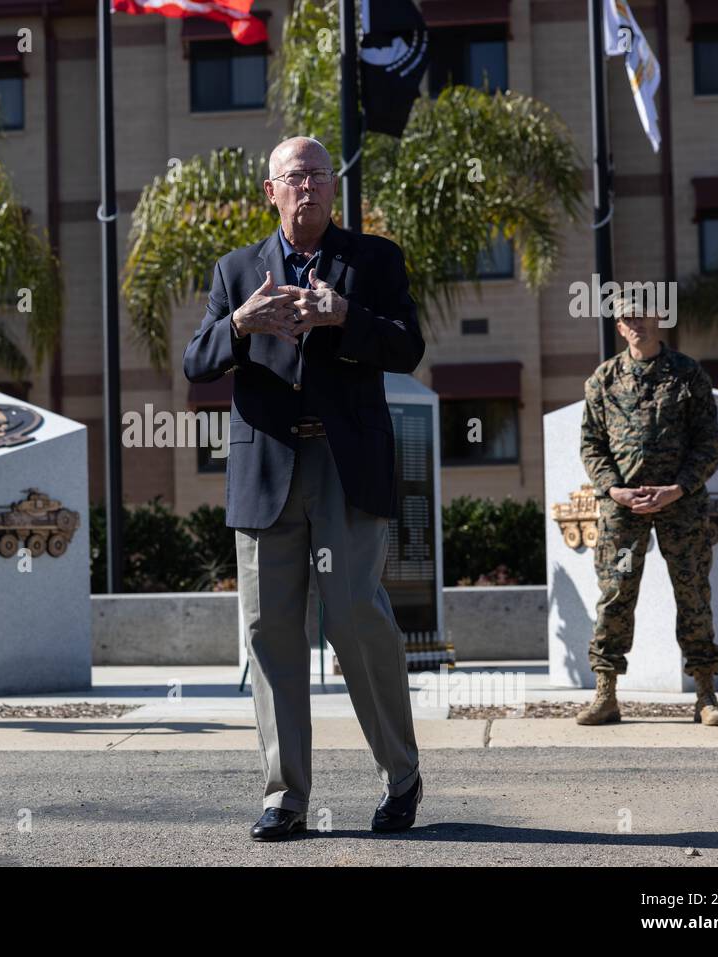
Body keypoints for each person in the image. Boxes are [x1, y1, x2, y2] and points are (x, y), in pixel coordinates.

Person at [183, 136, 427, 842]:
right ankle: (285, 796)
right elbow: (196, 360)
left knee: (354, 614)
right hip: (267, 471)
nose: (309, 186)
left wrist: (346, 317)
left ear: (332, 187)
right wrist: (241, 323)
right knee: (269, 630)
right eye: (295, 176)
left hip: (344, 466)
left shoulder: (372, 262)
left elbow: (407, 346)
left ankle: (401, 774)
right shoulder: (236, 271)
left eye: (320, 174)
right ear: (271, 191)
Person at [578, 295, 718, 726]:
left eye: (642, 315)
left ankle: (705, 694)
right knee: (615, 595)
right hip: (624, 512)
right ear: (620, 327)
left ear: (658, 318)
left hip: (680, 506)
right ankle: (606, 694)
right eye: (627, 318)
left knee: (693, 594)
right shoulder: (603, 380)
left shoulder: (688, 375)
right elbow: (592, 445)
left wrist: (677, 488)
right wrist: (614, 490)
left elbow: (708, 443)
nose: (635, 323)